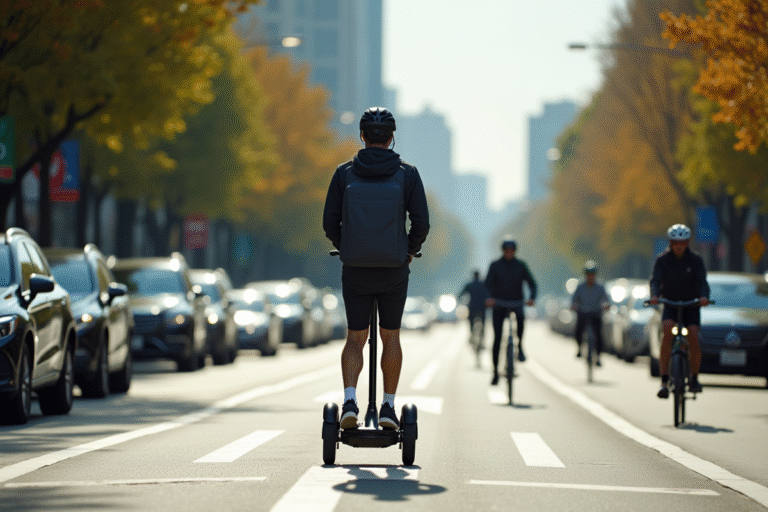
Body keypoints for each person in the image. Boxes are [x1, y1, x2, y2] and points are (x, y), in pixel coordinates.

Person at [322, 107, 430, 430]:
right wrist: (408, 251)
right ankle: (388, 406)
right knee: (390, 336)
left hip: (355, 270)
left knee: (355, 337)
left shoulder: (344, 174)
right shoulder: (407, 175)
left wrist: (347, 247)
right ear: (392, 137)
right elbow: (422, 223)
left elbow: (329, 222)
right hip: (393, 270)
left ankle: (350, 401)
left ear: (362, 136)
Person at [649, 224, 709, 398]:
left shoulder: (696, 260)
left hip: (691, 305)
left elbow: (702, 282)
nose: (679, 246)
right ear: (671, 243)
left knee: (693, 334)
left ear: (687, 243)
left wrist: (704, 297)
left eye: (682, 243)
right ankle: (664, 380)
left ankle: (694, 378)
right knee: (667, 330)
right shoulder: (662, 260)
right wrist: (654, 295)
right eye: (675, 243)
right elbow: (655, 280)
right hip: (670, 304)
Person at [484, 237, 537, 385]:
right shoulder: (495, 265)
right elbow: (487, 285)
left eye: (511, 250)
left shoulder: (521, 265)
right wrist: (489, 298)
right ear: (503, 251)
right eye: (507, 250)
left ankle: (519, 346)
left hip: (517, 302)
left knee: (520, 320)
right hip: (499, 304)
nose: (509, 253)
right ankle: (495, 372)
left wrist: (532, 298)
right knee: (497, 338)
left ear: (514, 251)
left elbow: (532, 283)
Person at [570, 260, 609, 365]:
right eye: (588, 274)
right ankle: (579, 348)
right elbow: (574, 299)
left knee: (599, 334)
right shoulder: (580, 287)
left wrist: (606, 305)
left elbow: (605, 299)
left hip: (596, 313)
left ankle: (598, 356)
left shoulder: (600, 287)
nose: (590, 276)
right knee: (578, 330)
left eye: (592, 274)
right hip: (583, 313)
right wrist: (573, 305)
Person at [458, 270, 490, 346]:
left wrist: (459, 299)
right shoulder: (483, 285)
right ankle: (482, 338)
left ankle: (472, 334)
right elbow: (488, 295)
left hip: (472, 307)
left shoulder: (470, 285)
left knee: (471, 322)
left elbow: (461, 294)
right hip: (482, 307)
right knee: (483, 323)